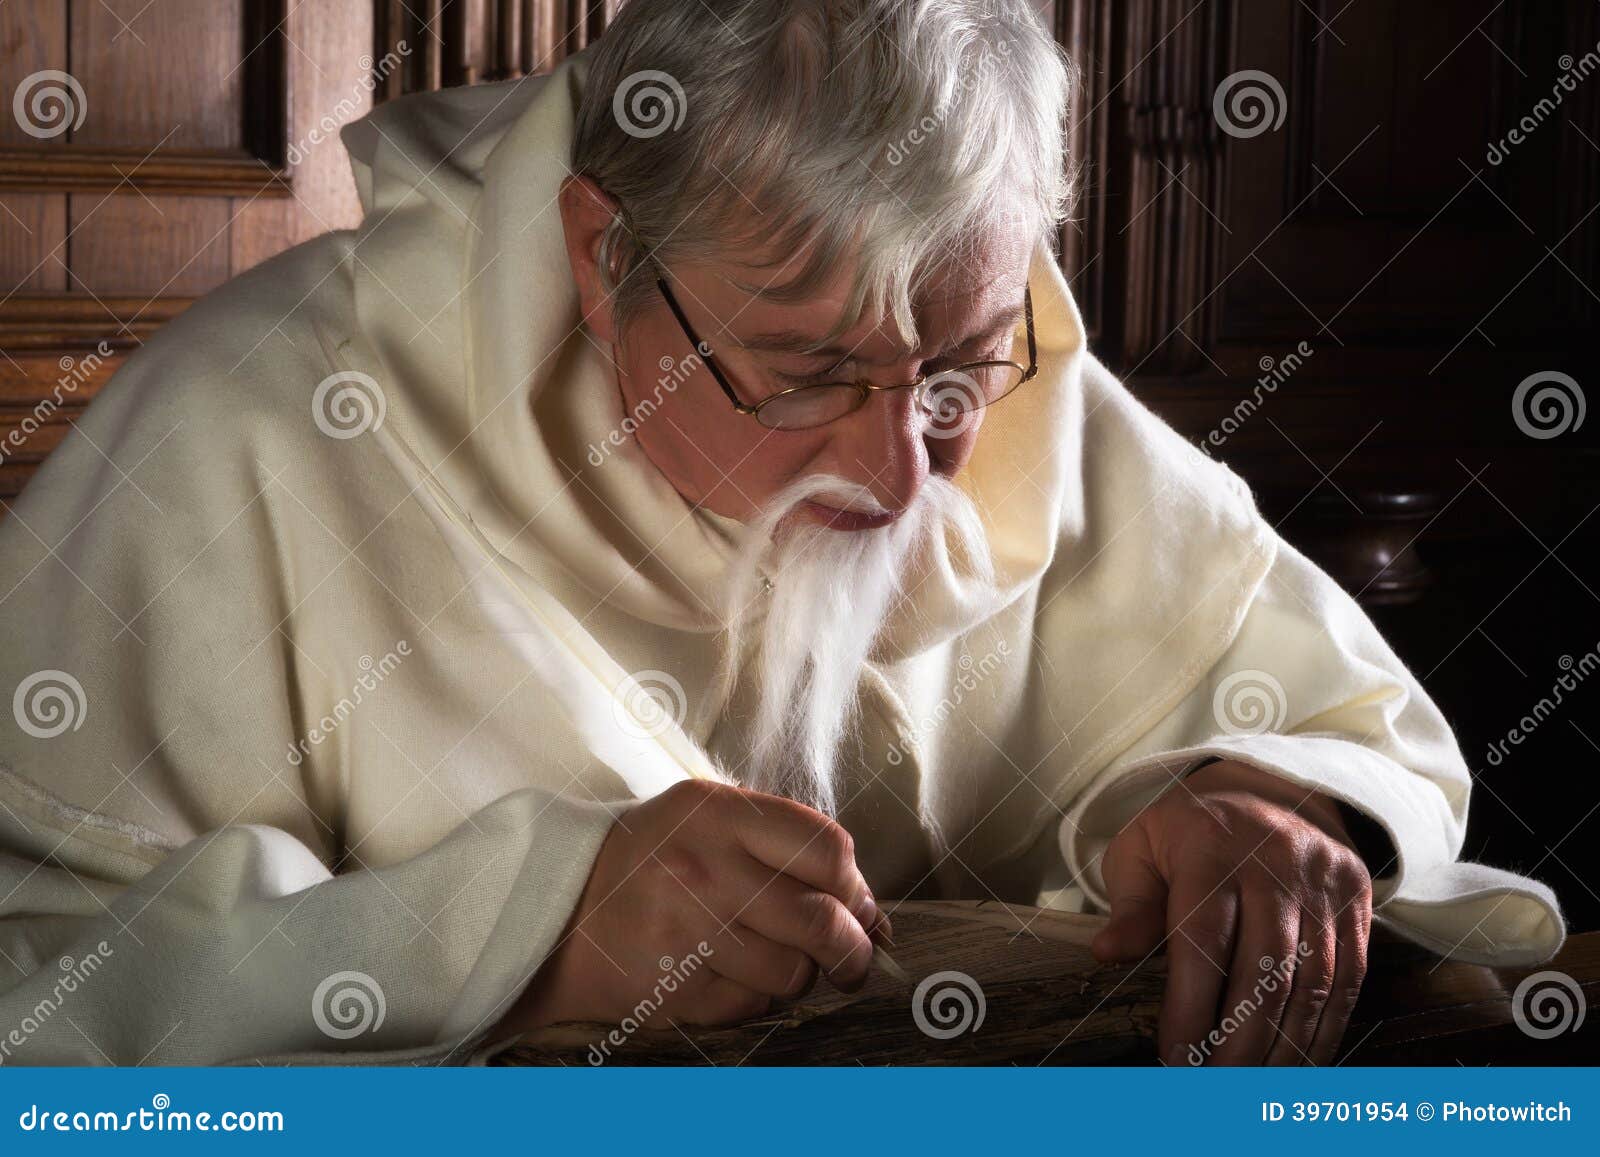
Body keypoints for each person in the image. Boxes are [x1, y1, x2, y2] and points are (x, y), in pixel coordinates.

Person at [0, 0, 1562, 1067]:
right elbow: (37, 1007)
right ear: (603, 258)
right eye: (809, 374)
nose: (899, 475)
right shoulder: (263, 427)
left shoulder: (1005, 399)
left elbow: (1333, 718)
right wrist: (517, 936)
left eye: (953, 369)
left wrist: (1266, 805)